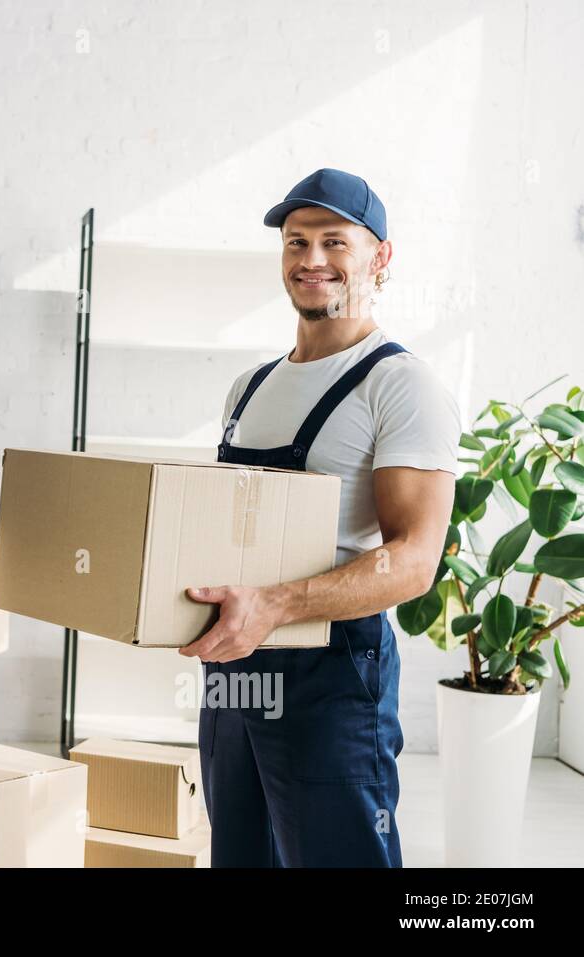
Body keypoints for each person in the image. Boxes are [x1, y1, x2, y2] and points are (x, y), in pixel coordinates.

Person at [181, 168, 462, 867]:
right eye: (296, 240)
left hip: (332, 674)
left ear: (380, 257)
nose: (311, 259)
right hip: (236, 667)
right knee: (241, 855)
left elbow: (416, 558)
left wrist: (277, 604)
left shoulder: (400, 386)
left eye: (335, 241)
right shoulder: (248, 388)